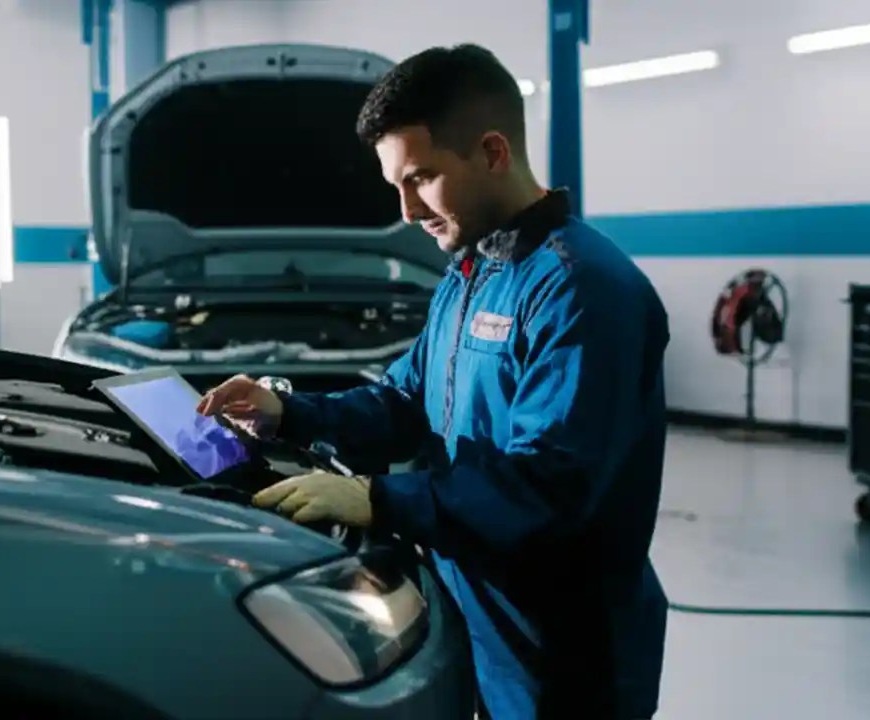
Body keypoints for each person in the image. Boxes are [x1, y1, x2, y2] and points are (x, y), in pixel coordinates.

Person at [197, 43, 670, 720]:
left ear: (493, 152)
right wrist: (288, 413)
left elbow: (550, 493)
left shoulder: (582, 291)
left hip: (566, 656)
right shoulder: (471, 275)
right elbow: (404, 401)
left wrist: (376, 499)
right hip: (480, 627)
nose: (406, 210)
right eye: (395, 185)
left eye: (419, 178)